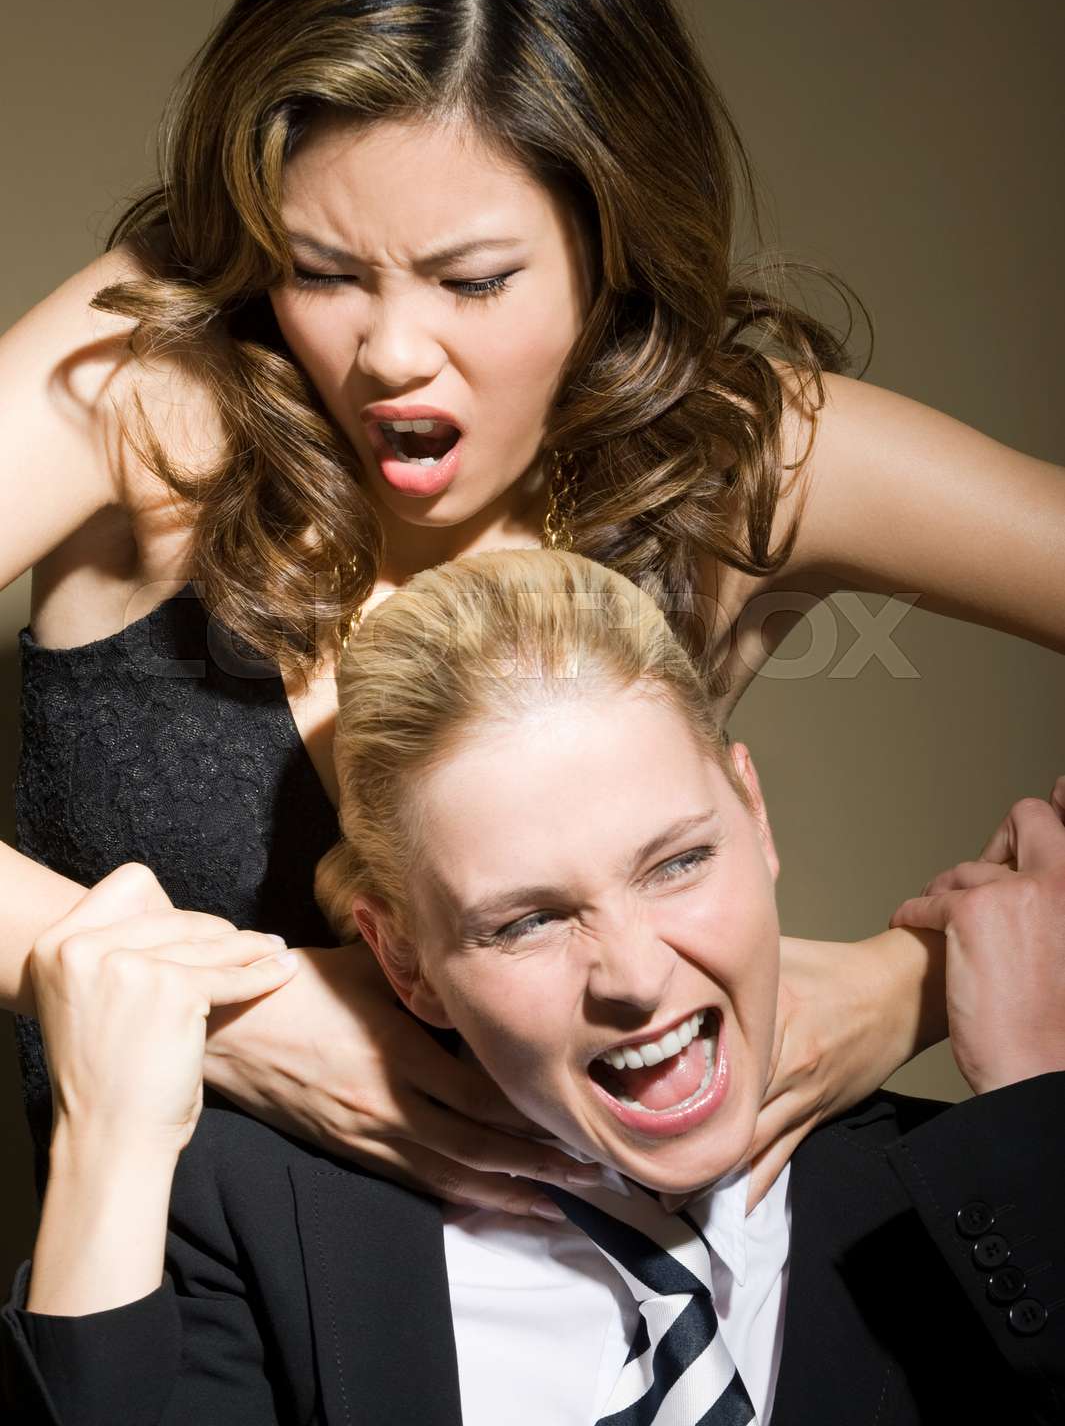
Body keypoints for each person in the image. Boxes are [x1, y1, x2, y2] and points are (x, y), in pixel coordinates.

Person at [3, 0, 1064, 1220]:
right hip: (176, 1344)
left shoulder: (733, 452)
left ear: (609, 246)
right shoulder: (150, 382)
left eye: (473, 279)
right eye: (322, 270)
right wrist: (221, 1010)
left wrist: (905, 983)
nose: (390, 351)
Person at [3, 551, 1062, 1425]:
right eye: (528, 921)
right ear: (406, 960)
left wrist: (1038, 1095)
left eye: (679, 862)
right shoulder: (248, 1222)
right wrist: (106, 1146)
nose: (638, 978)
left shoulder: (972, 1199)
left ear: (754, 813)